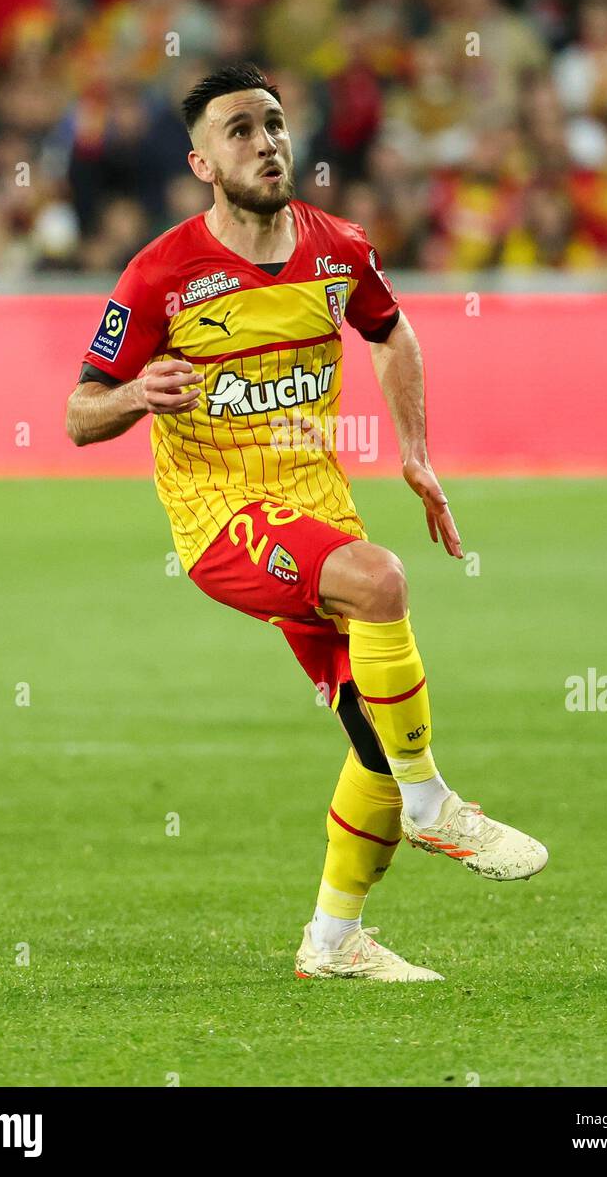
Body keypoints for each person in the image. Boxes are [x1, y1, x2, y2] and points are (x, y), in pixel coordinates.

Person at [65, 62, 548, 982]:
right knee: (383, 582)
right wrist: (134, 394)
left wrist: (415, 453)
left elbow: (393, 331)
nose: (265, 142)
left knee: (375, 735)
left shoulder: (338, 248)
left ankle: (333, 943)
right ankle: (436, 803)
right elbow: (77, 415)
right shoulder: (160, 273)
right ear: (203, 160)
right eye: (238, 130)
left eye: (274, 123)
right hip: (223, 517)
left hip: (315, 508)